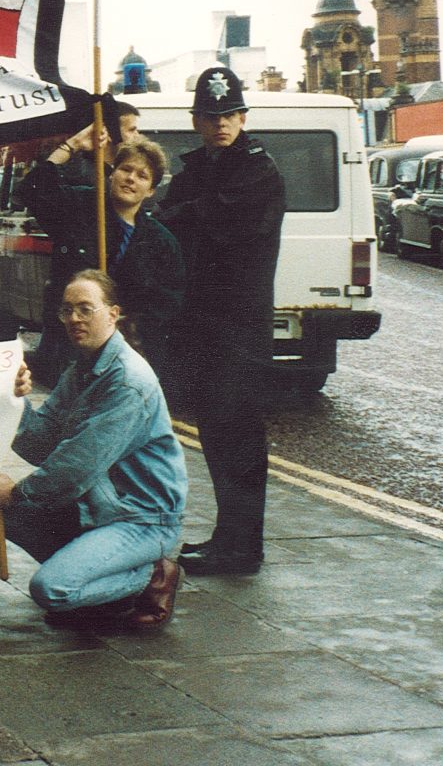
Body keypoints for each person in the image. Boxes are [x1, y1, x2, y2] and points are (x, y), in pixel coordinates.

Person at [0, 270, 187, 629]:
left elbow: (77, 465)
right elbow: (42, 443)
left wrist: (16, 492)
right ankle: (98, 580)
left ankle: (152, 575)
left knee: (51, 590)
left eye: (85, 309)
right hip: (96, 505)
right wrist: (14, 400)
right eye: (67, 310)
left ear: (113, 314)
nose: (74, 319)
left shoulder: (127, 381)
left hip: (140, 518)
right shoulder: (82, 367)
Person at [156, 66, 285, 577]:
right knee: (215, 431)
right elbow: (173, 225)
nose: (221, 124)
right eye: (211, 117)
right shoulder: (196, 171)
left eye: (229, 115)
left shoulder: (258, 170)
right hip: (200, 324)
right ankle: (229, 538)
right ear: (196, 121)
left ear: (244, 117)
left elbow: (218, 228)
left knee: (239, 435)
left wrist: (184, 214)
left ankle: (243, 548)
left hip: (239, 327)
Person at [19, 128, 184, 387]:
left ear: (151, 190)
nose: (131, 179)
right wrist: (73, 144)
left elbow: (167, 304)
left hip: (123, 356)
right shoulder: (80, 206)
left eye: (142, 176)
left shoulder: (161, 241)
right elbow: (32, 190)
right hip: (67, 350)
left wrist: (122, 325)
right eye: (126, 169)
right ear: (112, 173)